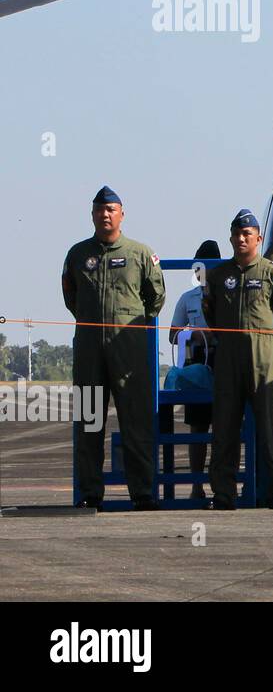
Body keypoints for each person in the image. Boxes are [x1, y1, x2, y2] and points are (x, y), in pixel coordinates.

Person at [61, 186, 166, 511]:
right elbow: (71, 296)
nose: (105, 215)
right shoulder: (78, 254)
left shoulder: (139, 254)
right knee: (89, 420)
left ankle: (143, 493)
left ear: (121, 214)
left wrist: (128, 324)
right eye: (99, 210)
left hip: (129, 351)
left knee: (136, 421)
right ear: (92, 215)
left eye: (111, 210)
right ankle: (90, 493)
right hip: (90, 351)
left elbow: (156, 297)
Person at [202, 210, 273, 510]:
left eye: (247, 234)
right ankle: (223, 494)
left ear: (258, 238)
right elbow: (210, 314)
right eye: (237, 234)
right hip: (228, 360)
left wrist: (265, 341)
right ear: (231, 238)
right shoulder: (219, 276)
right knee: (224, 430)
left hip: (262, 360)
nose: (241, 239)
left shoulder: (272, 274)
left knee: (269, 430)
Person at [168, 239, 222, 501]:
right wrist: (194, 334)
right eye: (198, 268)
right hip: (197, 366)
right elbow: (172, 334)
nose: (202, 273)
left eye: (207, 267)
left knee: (224, 425)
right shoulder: (187, 299)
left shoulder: (227, 295)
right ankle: (196, 486)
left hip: (222, 363)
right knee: (198, 427)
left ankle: (222, 482)